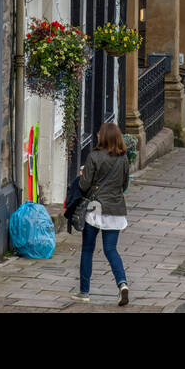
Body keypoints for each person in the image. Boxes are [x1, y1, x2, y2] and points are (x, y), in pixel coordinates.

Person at [72, 122, 131, 306]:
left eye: (99, 133)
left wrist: (82, 175)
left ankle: (84, 291)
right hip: (116, 209)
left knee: (88, 249)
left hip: (95, 208)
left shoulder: (94, 157)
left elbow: (84, 186)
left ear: (104, 137)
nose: (97, 135)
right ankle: (122, 284)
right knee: (111, 250)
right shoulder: (124, 159)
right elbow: (124, 186)